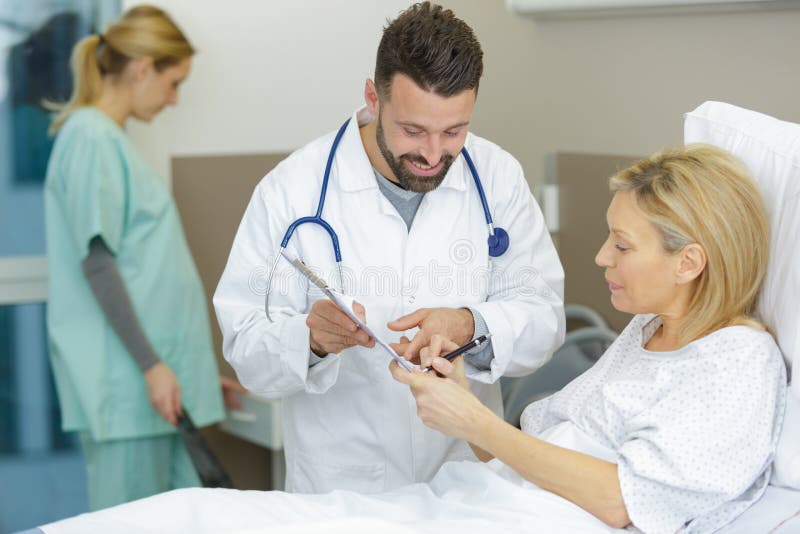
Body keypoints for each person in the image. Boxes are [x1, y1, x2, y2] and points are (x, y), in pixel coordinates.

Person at [40, 144, 786, 534]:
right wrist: (459, 397)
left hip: (486, 512)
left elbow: (629, 503)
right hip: (452, 497)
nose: (601, 260)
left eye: (621, 246)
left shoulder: (736, 361)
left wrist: (474, 404)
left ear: (690, 260)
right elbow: (543, 450)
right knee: (190, 514)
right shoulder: (649, 335)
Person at [213, 1, 565, 494]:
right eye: (413, 130)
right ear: (373, 98)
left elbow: (545, 318)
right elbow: (246, 350)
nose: (433, 154)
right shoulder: (292, 190)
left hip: (466, 488)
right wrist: (311, 339)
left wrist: (471, 323)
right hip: (342, 492)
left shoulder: (498, 177)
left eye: (454, 131)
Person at [44, 5, 244, 511]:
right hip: (131, 390)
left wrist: (190, 371)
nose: (175, 99)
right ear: (141, 68)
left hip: (156, 392)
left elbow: (146, 270)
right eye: (173, 82)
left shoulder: (111, 140)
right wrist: (154, 366)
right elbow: (98, 263)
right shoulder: (91, 138)